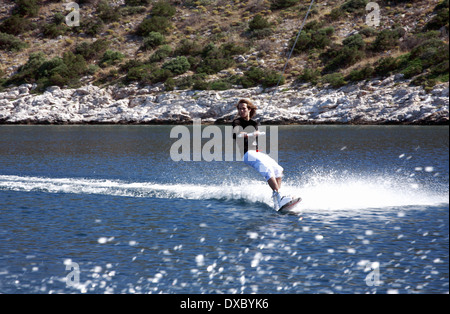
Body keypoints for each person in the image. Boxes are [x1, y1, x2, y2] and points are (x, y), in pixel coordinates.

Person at [232, 99, 292, 210]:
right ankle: (278, 196)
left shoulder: (255, 123)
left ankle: (277, 198)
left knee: (278, 169)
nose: (241, 111)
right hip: (247, 154)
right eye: (239, 109)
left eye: (243, 108)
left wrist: (256, 131)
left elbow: (256, 131)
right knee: (267, 169)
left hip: (257, 152)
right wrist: (249, 134)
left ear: (249, 109)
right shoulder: (237, 122)